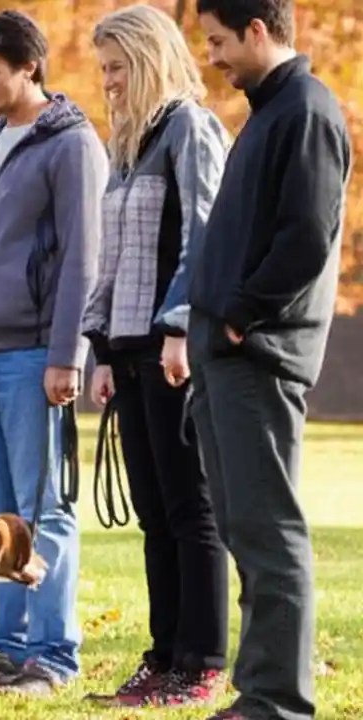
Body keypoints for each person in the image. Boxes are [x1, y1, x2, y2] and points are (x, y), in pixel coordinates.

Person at [0, 9, 107, 695]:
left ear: (29, 66)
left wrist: (68, 354)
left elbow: (82, 261)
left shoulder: (72, 146)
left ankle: (51, 655)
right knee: (0, 517)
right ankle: (8, 652)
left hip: (36, 355)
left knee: (43, 512)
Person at [189, 2, 351, 718]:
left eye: (220, 41)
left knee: (269, 530)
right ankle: (258, 691)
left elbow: (306, 237)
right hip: (228, 356)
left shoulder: (306, 112)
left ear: (259, 31)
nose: (214, 57)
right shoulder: (267, 114)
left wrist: (239, 317)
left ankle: (277, 701)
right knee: (244, 531)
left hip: (258, 356)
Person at [79, 3, 233, 707]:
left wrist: (178, 329)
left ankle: (200, 663)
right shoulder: (128, 144)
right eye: (103, 68)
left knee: (190, 510)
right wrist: (101, 347)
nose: (108, 81)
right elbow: (109, 261)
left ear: (147, 60)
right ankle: (164, 656)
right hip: (131, 352)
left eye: (116, 67)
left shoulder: (189, 129)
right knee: (152, 515)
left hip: (175, 350)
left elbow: (204, 237)